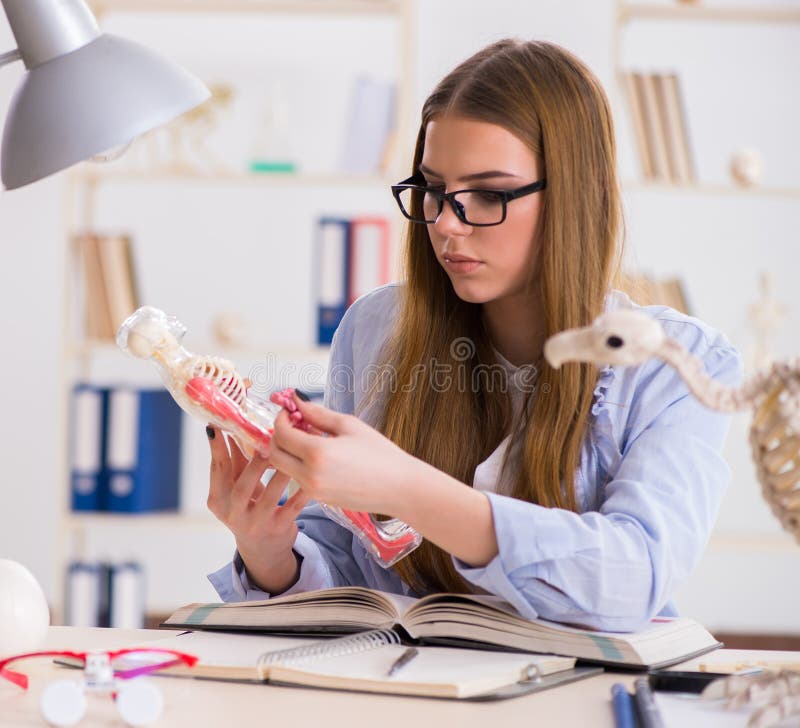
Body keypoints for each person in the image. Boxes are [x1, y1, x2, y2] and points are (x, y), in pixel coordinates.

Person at [206, 38, 742, 632]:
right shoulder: (375, 327)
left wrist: (409, 488)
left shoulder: (677, 362)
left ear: (572, 194)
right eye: (434, 190)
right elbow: (348, 567)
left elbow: (632, 578)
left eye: (487, 194)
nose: (446, 225)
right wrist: (269, 551)